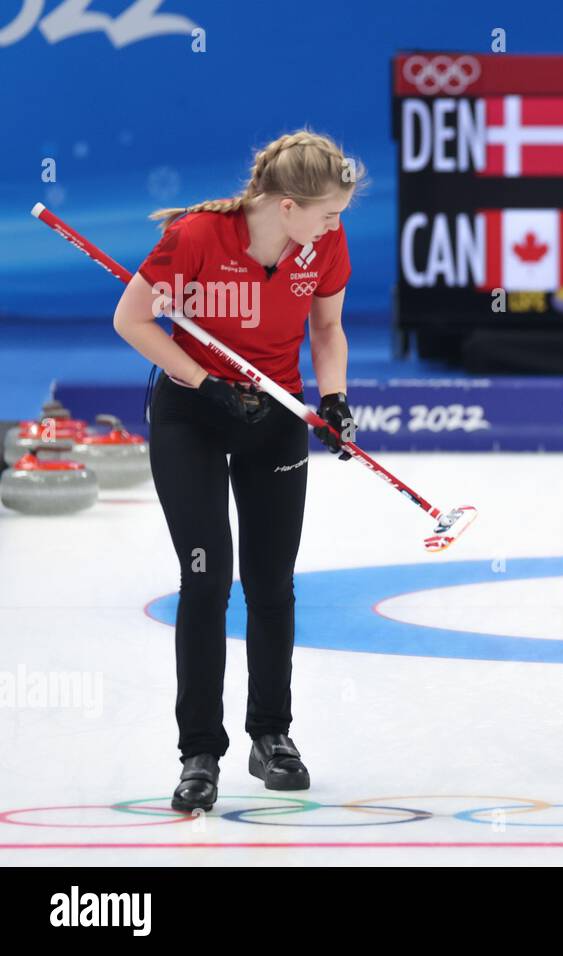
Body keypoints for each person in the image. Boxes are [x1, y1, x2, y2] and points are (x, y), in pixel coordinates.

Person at [111, 130, 364, 811]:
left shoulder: (323, 246)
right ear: (286, 206)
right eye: (327, 212)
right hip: (193, 413)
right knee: (205, 579)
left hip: (275, 412)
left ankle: (271, 736)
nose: (335, 225)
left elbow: (326, 330)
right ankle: (200, 752)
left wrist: (333, 398)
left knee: (272, 584)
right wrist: (204, 381)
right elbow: (132, 319)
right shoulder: (196, 238)